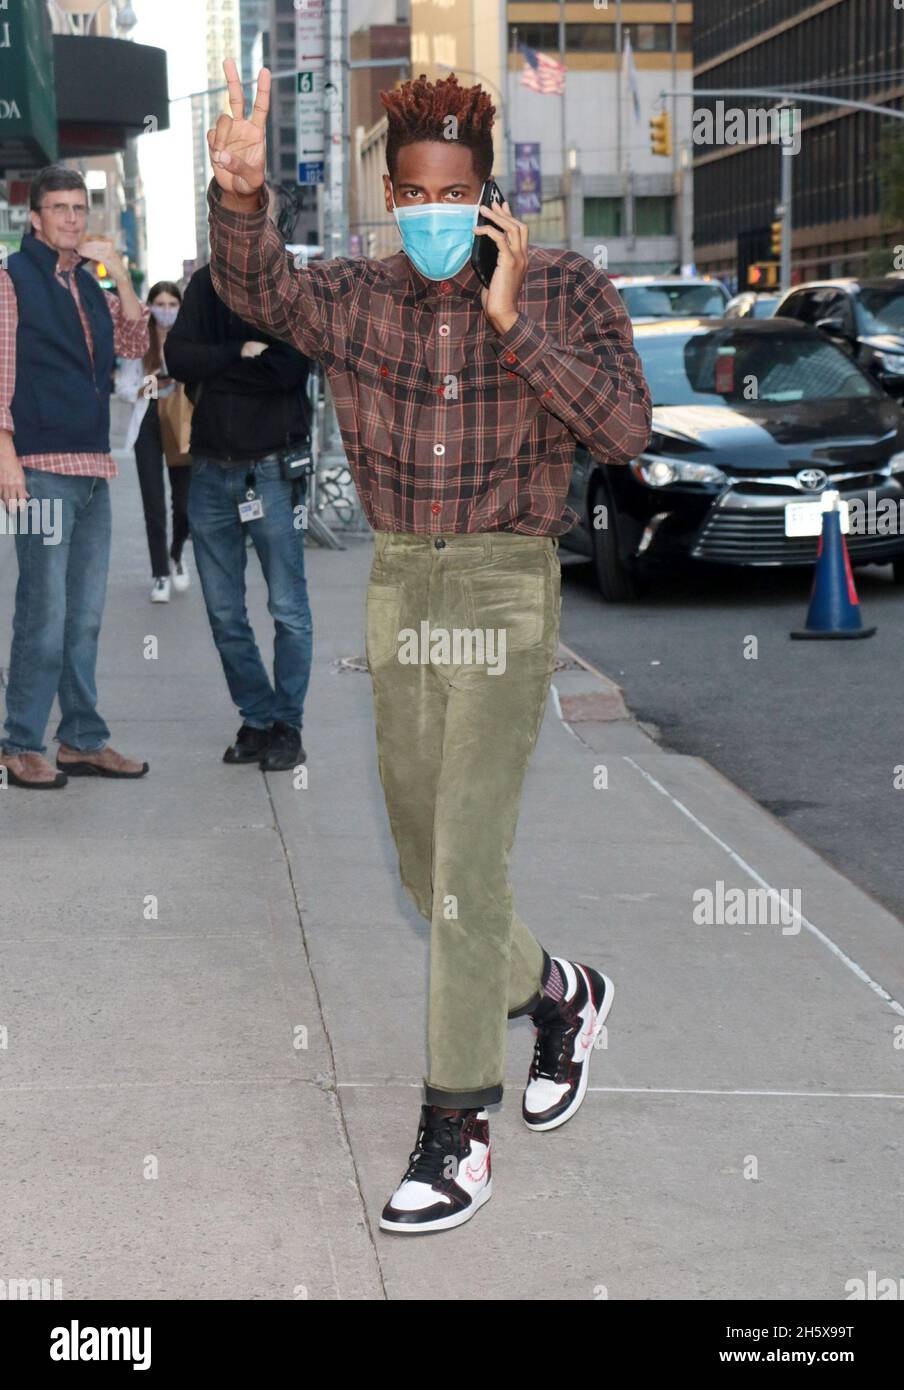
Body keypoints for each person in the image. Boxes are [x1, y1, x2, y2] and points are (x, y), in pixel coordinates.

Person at [206, 61, 652, 1232]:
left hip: (507, 586)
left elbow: (621, 431)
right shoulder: (357, 296)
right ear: (390, 195)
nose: (431, 214)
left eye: (451, 193)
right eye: (411, 195)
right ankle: (559, 994)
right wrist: (243, 196)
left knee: (462, 879)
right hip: (404, 587)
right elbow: (257, 295)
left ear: (489, 188)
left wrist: (512, 327)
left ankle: (455, 1130)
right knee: (426, 875)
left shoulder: (561, 286)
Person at [0, 166, 150, 790]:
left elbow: (138, 336)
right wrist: (6, 460)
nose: (70, 218)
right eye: (58, 208)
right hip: (39, 470)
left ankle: (81, 740)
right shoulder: (12, 281)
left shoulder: (89, 284)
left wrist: (117, 266)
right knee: (45, 608)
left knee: (84, 614)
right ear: (34, 218)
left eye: (79, 209)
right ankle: (20, 742)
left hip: (92, 470)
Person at [164, 251, 313, 773]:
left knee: (287, 608)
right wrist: (239, 352)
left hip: (270, 470)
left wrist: (219, 365)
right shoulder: (206, 285)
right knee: (225, 613)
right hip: (208, 472)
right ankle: (257, 716)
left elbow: (289, 369)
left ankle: (287, 725)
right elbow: (177, 359)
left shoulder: (290, 284)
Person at [117, 281, 193, 603]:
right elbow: (123, 387)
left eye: (172, 304)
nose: (166, 310)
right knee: (153, 503)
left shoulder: (190, 335)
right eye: (159, 304)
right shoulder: (140, 339)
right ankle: (160, 573)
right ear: (149, 306)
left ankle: (176, 555)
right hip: (148, 418)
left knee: (186, 501)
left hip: (181, 418)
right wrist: (152, 384)